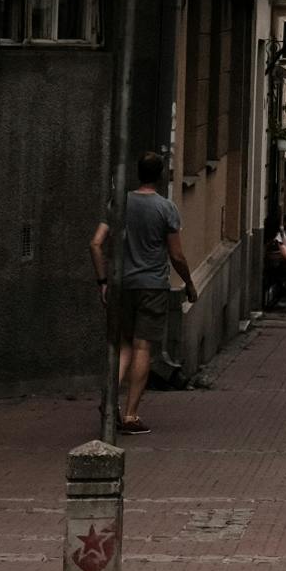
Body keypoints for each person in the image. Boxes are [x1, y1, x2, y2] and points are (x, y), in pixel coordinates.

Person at [90, 151, 197, 434]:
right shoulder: (166, 209)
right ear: (160, 176)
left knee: (123, 344)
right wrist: (188, 283)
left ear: (138, 173)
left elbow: (96, 244)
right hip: (151, 286)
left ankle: (109, 401)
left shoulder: (119, 203)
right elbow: (176, 255)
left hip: (121, 285)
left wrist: (103, 281)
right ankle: (131, 415)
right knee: (142, 347)